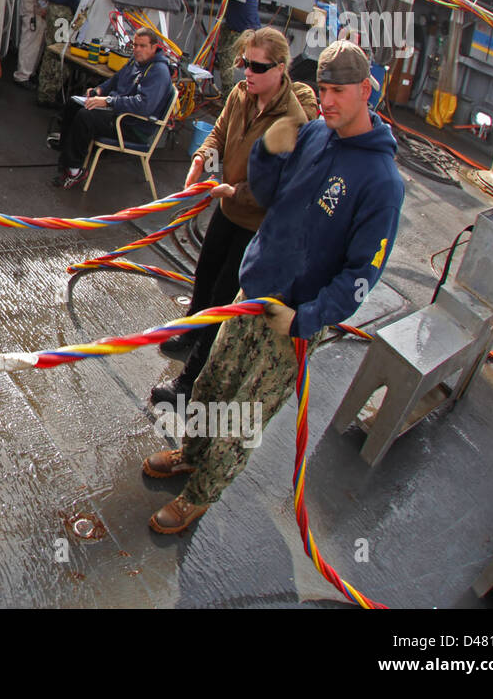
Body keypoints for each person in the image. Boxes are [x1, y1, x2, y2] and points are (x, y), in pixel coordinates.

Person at [143, 42, 405, 534]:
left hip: (292, 321)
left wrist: (308, 318)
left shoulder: (381, 182)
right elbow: (266, 194)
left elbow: (362, 273)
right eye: (323, 89)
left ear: (367, 90)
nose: (326, 101)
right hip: (253, 293)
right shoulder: (313, 136)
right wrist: (268, 149)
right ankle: (191, 455)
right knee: (212, 384)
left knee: (243, 416)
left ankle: (198, 497)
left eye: (339, 92)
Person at [149, 27, 320, 404]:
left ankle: (187, 382)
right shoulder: (242, 94)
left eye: (258, 67)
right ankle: (191, 330)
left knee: (225, 296)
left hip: (255, 226)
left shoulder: (292, 120)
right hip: (226, 210)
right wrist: (202, 158)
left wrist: (236, 191)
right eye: (245, 64)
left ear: (281, 68)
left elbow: (278, 186)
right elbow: (220, 133)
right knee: (206, 274)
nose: (248, 73)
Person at [50, 27, 173, 189]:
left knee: (85, 116)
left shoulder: (159, 72)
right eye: (135, 45)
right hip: (117, 112)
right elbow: (115, 80)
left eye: (142, 46)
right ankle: (66, 158)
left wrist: (108, 101)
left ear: (154, 47)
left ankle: (75, 171)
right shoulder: (136, 61)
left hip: (132, 125)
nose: (137, 50)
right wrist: (99, 90)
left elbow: (143, 106)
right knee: (73, 103)